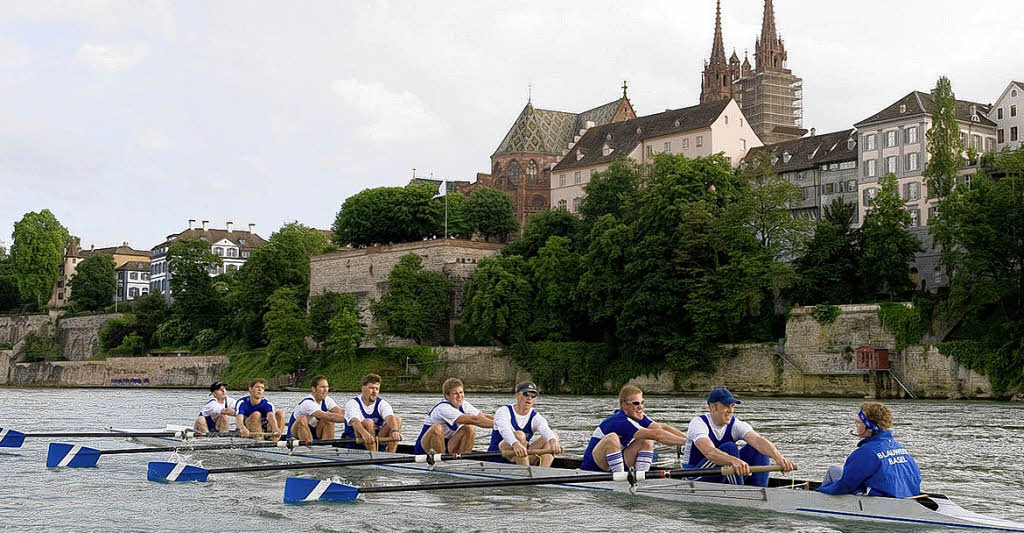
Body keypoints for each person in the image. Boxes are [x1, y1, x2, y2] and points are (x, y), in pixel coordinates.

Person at [682, 387, 796, 486]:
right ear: (713, 407)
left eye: (732, 406)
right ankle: (740, 491)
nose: (730, 411)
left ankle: (760, 489)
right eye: (726, 406)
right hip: (695, 476)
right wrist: (734, 461)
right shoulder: (698, 423)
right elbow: (709, 452)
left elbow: (757, 440)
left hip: (720, 473)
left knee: (758, 449)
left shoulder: (735, 424)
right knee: (730, 448)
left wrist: (779, 458)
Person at [816, 402, 921, 498]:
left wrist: (820, 491)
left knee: (831, 473)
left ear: (870, 428)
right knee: (834, 470)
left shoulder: (865, 453)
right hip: (907, 495)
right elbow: (916, 478)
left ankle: (818, 503)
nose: (856, 425)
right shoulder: (898, 446)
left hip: (884, 501)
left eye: (858, 422)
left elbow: (845, 485)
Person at [581, 385, 688, 472]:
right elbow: (658, 435)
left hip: (612, 463)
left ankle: (642, 477)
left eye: (642, 402)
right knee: (612, 438)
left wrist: (689, 439)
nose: (641, 407)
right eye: (636, 403)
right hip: (593, 465)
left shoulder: (638, 415)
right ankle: (620, 479)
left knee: (646, 440)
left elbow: (661, 427)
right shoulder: (620, 420)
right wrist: (690, 443)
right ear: (624, 405)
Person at [486, 381, 563, 467]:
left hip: (521, 457)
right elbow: (505, 431)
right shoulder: (503, 411)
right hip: (498, 458)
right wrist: (515, 443)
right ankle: (526, 471)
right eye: (526, 394)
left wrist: (553, 442)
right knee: (519, 435)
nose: (529, 398)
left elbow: (545, 429)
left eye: (533, 395)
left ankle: (543, 472)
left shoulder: (535, 416)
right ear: (517, 396)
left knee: (553, 435)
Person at [414, 377, 493, 454]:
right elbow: (475, 420)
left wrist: (502, 420)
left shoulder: (463, 404)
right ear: (447, 396)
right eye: (455, 393)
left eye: (461, 392)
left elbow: (482, 416)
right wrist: (498, 425)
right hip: (424, 449)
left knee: (470, 428)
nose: (459, 396)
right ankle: (441, 463)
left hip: (446, 445)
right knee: (437, 428)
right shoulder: (443, 408)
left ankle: (463, 460)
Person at [342, 373, 403, 452]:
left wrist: (395, 431)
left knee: (397, 420)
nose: (374, 392)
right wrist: (364, 434)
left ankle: (390, 454)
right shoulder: (353, 403)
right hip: (356, 441)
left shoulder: (382, 404)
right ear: (363, 388)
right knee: (368, 422)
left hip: (377, 440)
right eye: (371, 388)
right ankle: (374, 455)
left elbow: (390, 418)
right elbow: (355, 421)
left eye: (377, 389)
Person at [286, 375, 346, 441]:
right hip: (295, 435)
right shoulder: (307, 403)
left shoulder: (327, 400)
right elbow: (328, 416)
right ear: (314, 389)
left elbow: (340, 412)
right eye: (322, 387)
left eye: (327, 387)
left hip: (313, 433)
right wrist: (350, 420)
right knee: (302, 419)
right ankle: (309, 447)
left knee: (328, 421)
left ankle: (327, 447)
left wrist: (356, 416)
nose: (325, 390)